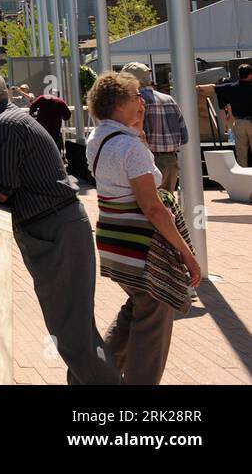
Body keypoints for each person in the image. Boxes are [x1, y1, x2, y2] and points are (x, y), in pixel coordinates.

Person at [0, 65, 119, 385]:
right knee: (77, 331)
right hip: (61, 229)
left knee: (74, 338)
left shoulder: (4, 124)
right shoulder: (10, 119)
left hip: (56, 234)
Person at [86, 72, 201, 384]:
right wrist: (187, 254)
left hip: (115, 244)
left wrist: (135, 132)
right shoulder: (130, 148)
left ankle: (91, 376)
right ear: (121, 105)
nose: (142, 103)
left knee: (138, 307)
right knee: (155, 315)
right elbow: (152, 208)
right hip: (141, 248)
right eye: (136, 98)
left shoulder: (98, 139)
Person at [120, 62, 188, 192]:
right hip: (171, 161)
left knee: (148, 207)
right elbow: (184, 137)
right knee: (167, 205)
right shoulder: (169, 99)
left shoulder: (135, 103)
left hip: (147, 161)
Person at [215, 64, 252, 167]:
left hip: (239, 122)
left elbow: (214, 88)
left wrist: (197, 87)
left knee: (241, 153)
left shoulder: (231, 87)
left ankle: (243, 177)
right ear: (250, 75)